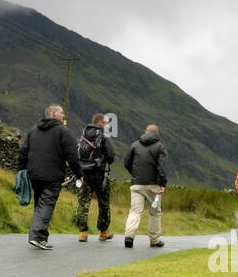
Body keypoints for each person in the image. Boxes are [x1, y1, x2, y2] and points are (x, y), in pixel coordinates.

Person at [17, 104, 82, 249]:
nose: (63, 115)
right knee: (46, 204)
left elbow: (23, 152)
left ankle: (41, 237)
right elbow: (72, 155)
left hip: (34, 174)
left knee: (40, 204)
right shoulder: (63, 132)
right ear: (53, 114)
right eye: (61, 113)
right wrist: (79, 174)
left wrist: (20, 171)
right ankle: (36, 236)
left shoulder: (33, 130)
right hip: (52, 175)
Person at [122, 123, 168, 248]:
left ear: (145, 132)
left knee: (135, 211)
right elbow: (162, 168)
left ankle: (129, 237)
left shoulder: (135, 145)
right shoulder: (160, 147)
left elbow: (126, 163)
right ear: (157, 134)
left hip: (137, 185)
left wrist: (135, 175)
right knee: (155, 212)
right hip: (153, 186)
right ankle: (154, 240)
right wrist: (162, 183)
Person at [75, 113, 116, 241]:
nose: (108, 125)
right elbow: (111, 155)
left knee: (83, 201)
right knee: (103, 203)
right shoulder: (104, 136)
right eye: (106, 122)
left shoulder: (84, 135)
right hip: (100, 174)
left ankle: (83, 232)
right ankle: (103, 232)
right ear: (100, 123)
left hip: (85, 173)